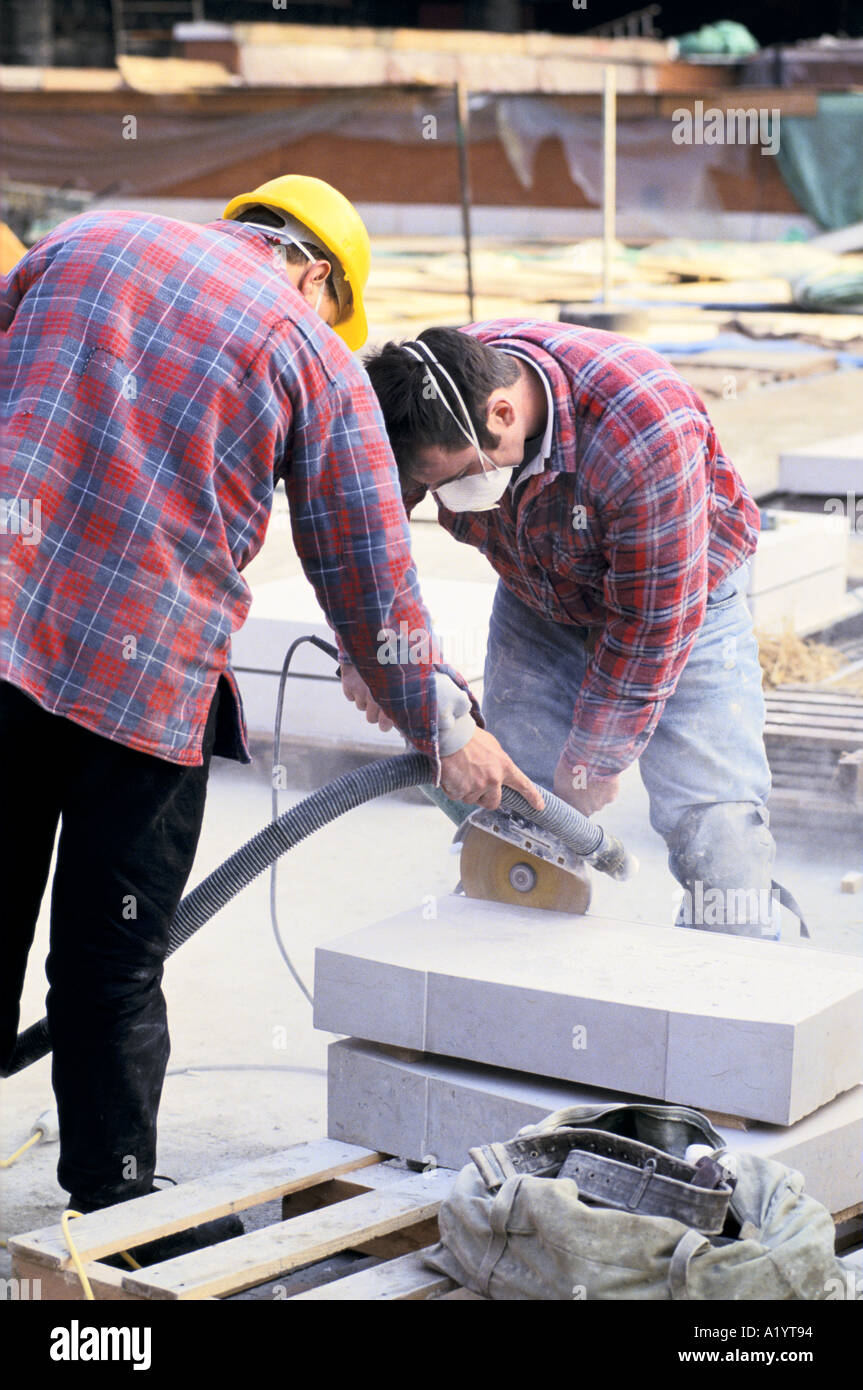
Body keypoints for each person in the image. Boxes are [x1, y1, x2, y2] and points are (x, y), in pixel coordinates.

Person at [0, 179, 540, 1242]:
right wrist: (444, 730)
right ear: (319, 276)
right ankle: (112, 1194)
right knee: (110, 963)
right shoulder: (304, 347)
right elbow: (365, 573)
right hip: (140, 686)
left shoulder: (76, 244)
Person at [358, 320, 802, 940]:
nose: (441, 497)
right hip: (538, 592)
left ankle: (736, 987)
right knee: (518, 800)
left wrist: (595, 757)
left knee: (716, 822)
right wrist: (373, 651)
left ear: (505, 414)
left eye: (452, 479)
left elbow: (650, 624)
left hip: (678, 604)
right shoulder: (426, 392)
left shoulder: (643, 431)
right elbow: (364, 534)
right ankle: (514, 965)